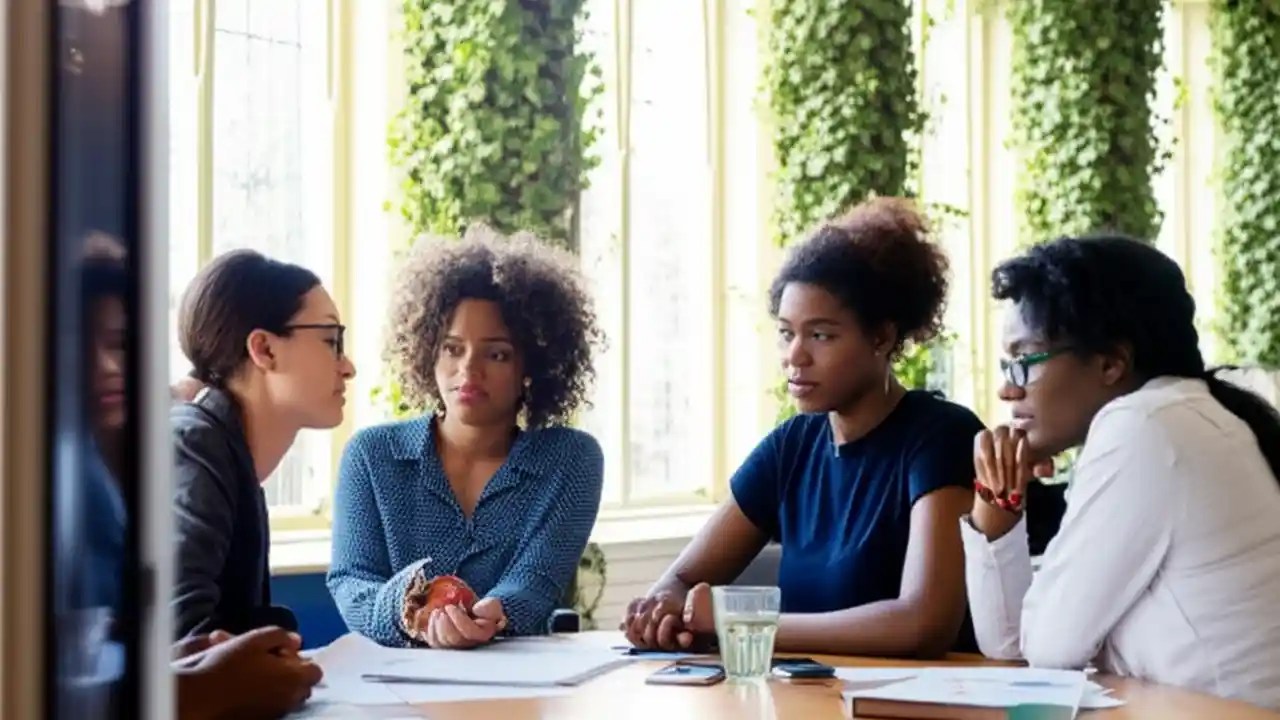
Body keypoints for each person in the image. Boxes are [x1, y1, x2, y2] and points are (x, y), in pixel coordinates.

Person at [624, 197, 985, 658]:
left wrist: (743, 624)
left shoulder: (942, 437)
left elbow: (923, 623)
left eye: (820, 335)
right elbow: (680, 580)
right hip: (802, 700)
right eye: (785, 332)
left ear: (883, 337)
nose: (795, 354)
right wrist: (663, 612)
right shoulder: (790, 447)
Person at [964, 234, 1280, 709]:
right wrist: (998, 504)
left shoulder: (1145, 427)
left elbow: (1049, 647)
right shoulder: (1180, 414)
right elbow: (1012, 646)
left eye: (1023, 362)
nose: (1009, 391)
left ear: (1112, 362)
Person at [327, 225, 604, 648]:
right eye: (452, 348)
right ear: (427, 352)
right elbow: (352, 581)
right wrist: (414, 614)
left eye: (496, 354)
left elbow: (535, 582)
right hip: (396, 694)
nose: (468, 370)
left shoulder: (570, 460)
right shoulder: (371, 456)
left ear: (532, 366)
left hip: (519, 690)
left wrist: (492, 616)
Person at [172, 249, 356, 639]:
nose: (348, 366)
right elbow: (185, 645)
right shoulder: (195, 448)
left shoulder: (230, 456)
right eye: (331, 340)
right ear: (264, 349)